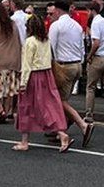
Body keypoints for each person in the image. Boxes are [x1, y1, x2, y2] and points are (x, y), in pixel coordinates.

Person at [13, 14, 74, 153]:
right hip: (47, 75)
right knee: (48, 107)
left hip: (34, 76)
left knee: (25, 107)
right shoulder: (46, 41)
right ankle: (61, 133)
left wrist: (23, 83)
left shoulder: (30, 42)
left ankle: (24, 141)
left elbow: (27, 64)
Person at [47, 3, 94, 147]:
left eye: (52, 12)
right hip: (77, 65)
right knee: (63, 98)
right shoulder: (77, 25)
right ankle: (62, 128)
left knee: (59, 100)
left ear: (58, 11)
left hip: (64, 66)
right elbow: (82, 47)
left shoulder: (56, 26)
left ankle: (83, 125)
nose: (50, 15)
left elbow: (51, 47)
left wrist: (49, 66)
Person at [0, 3, 22, 123]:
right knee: (9, 91)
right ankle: (7, 111)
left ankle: (0, 111)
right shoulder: (13, 25)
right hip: (13, 61)